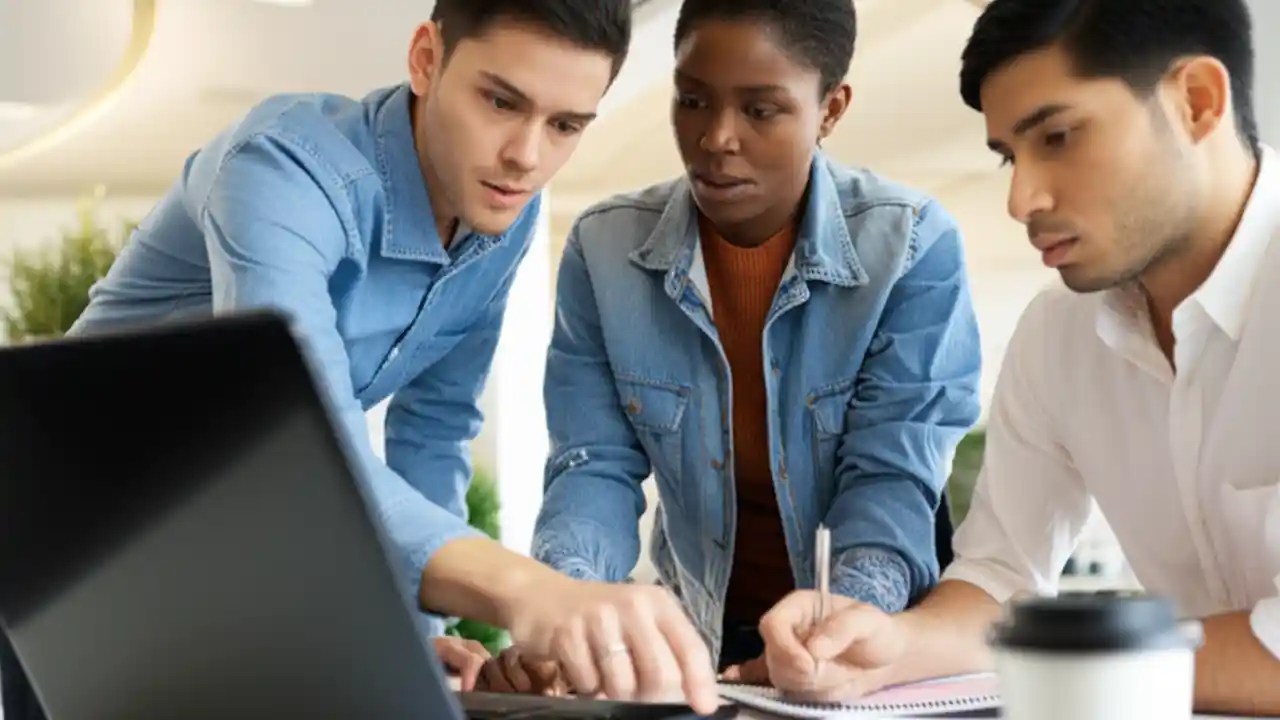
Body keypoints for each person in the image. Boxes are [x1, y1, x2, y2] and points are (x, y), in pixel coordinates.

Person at [0, 2, 725, 718]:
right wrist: (534, 589)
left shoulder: (505, 214)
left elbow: (434, 429)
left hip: (223, 534)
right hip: (75, 535)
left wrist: (416, 639)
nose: (526, 156)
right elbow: (299, 446)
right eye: (501, 101)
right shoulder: (281, 169)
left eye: (565, 125)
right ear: (426, 58)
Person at [759, 0, 1280, 715]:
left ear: (1196, 101)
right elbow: (1000, 582)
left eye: (1059, 137)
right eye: (1010, 155)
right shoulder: (1058, 335)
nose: (1021, 197)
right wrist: (885, 648)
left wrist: (1073, 655)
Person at [516, 0, 981, 697]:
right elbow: (593, 467)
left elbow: (892, 477)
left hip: (874, 641)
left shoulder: (911, 246)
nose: (716, 138)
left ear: (831, 109)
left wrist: (842, 626)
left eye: (761, 111)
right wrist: (567, 607)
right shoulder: (604, 250)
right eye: (693, 100)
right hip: (702, 634)